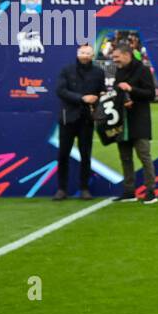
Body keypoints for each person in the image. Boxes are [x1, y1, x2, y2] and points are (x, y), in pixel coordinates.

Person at [53, 42, 105, 200]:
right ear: (77, 54)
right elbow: (60, 90)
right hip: (67, 118)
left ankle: (84, 188)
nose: (85, 56)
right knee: (63, 154)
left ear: (92, 55)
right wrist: (82, 98)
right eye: (82, 53)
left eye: (88, 53)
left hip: (87, 119)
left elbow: (101, 91)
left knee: (85, 155)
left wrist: (99, 98)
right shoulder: (66, 70)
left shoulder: (99, 72)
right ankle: (61, 189)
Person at [110, 39, 158, 204]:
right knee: (125, 157)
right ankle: (129, 191)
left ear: (126, 55)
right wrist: (122, 99)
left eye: (116, 57)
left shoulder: (143, 70)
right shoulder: (119, 70)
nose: (114, 60)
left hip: (139, 121)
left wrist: (131, 90)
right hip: (122, 122)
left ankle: (151, 191)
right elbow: (118, 91)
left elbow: (151, 94)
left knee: (144, 156)